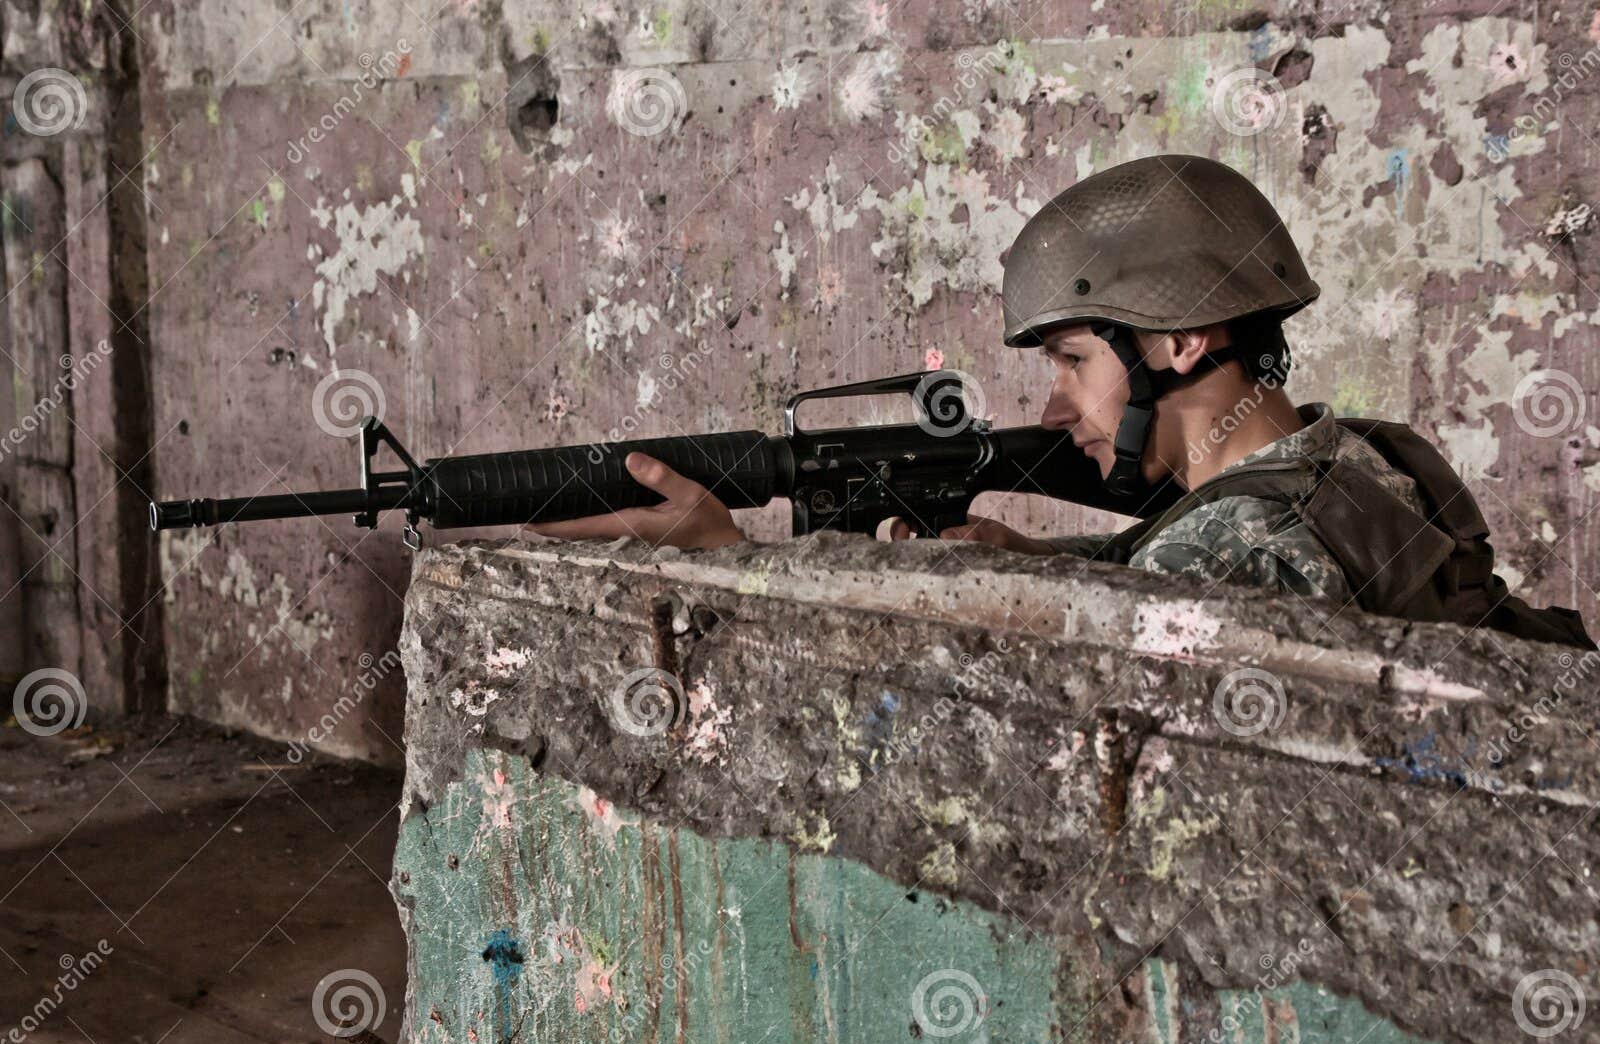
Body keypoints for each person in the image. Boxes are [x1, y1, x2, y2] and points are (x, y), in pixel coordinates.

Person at [529, 154, 1593, 648]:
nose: (1052, 409)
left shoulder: (1238, 548)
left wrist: (735, 567)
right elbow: (1166, 586)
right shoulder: (1349, 456)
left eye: (1072, 360)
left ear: (1182, 339)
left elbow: (1056, 670)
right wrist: (1030, 565)